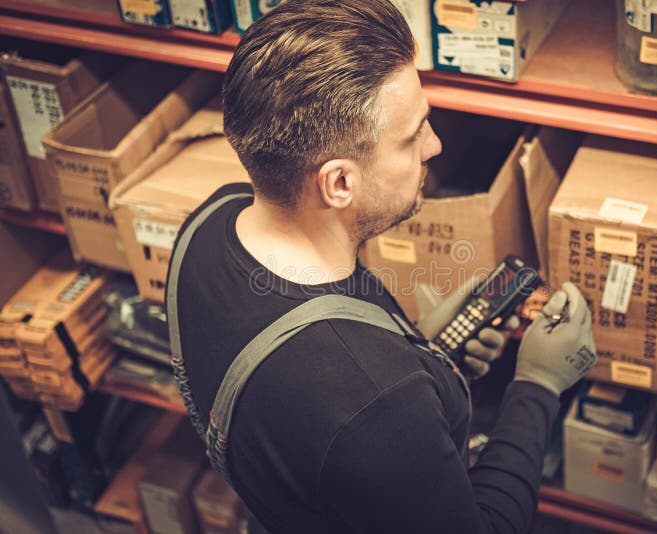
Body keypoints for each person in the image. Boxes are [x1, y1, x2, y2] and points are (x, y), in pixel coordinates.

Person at [167, 1, 597, 533]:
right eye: (413, 134)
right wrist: (537, 384)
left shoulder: (210, 221)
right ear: (339, 182)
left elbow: (308, 400)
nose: (434, 145)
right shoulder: (378, 407)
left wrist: (422, 356)